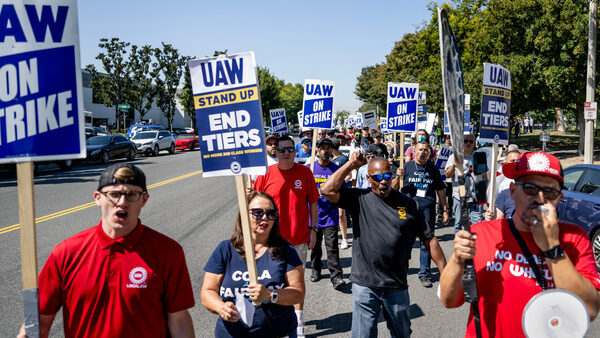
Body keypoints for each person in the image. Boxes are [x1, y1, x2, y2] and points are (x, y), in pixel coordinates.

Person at [19, 163, 195, 337]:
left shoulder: (168, 252)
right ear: (98, 198)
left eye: (131, 194)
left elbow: (179, 320)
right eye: (114, 194)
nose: (122, 202)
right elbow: (38, 320)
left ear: (144, 200)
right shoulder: (65, 252)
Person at [439, 151, 600, 337]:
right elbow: (448, 300)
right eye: (530, 188)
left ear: (559, 199)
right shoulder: (481, 233)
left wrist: (552, 247)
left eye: (549, 191)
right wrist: (457, 260)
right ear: (513, 192)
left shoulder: (574, 238)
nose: (540, 198)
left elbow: (589, 310)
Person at [321, 152, 447, 337]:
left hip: (396, 284)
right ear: (368, 178)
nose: (383, 181)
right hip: (365, 284)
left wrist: (445, 273)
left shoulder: (409, 204)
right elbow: (327, 190)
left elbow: (429, 238)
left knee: (401, 334)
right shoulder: (358, 198)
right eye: (378, 177)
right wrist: (350, 165)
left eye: (387, 175)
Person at [201, 191, 305, 337]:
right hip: (231, 333)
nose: (265, 218)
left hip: (275, 331)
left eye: (271, 213)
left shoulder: (285, 250)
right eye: (257, 213)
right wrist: (221, 307)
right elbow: (207, 291)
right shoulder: (225, 250)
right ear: (243, 215)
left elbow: (298, 294)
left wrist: (270, 295)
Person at [253, 135, 319, 337]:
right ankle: (271, 319)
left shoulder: (305, 173)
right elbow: (254, 207)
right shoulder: (265, 174)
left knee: (296, 283)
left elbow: (313, 202)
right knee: (271, 281)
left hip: (298, 238)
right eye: (282, 150)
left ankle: (298, 323)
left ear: (295, 150)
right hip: (270, 240)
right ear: (275, 151)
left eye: (290, 149)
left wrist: (313, 229)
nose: (286, 153)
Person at [396, 141, 449, 288]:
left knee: (426, 244)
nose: (423, 152)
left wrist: (444, 209)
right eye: (420, 150)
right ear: (414, 151)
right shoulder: (405, 167)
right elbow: (393, 187)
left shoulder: (433, 168)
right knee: (405, 243)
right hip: (408, 212)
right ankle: (401, 271)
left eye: (426, 150)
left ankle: (424, 273)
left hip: (427, 212)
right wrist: (397, 176)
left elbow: (440, 190)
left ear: (430, 153)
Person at [307, 138, 346, 290]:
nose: (325, 151)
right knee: (315, 247)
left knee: (332, 248)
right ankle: (316, 269)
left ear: (331, 151)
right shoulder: (309, 168)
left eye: (328, 148)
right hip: (314, 215)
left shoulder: (336, 169)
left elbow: (341, 190)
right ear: (317, 150)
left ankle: (336, 276)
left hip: (331, 215)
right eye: (322, 148)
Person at [445, 133, 488, 233]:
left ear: (474, 143)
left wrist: (485, 196)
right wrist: (453, 166)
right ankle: (459, 248)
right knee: (459, 223)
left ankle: (478, 247)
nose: (468, 143)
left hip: (476, 196)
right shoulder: (454, 156)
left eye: (471, 141)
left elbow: (484, 177)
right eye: (465, 141)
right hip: (459, 195)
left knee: (477, 222)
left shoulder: (479, 156)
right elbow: (447, 175)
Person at [331, 138, 351, 249]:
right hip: (329, 191)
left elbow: (349, 176)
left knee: (340, 214)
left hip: (340, 190)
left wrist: (339, 183)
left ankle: (344, 238)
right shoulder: (327, 159)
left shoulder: (343, 159)